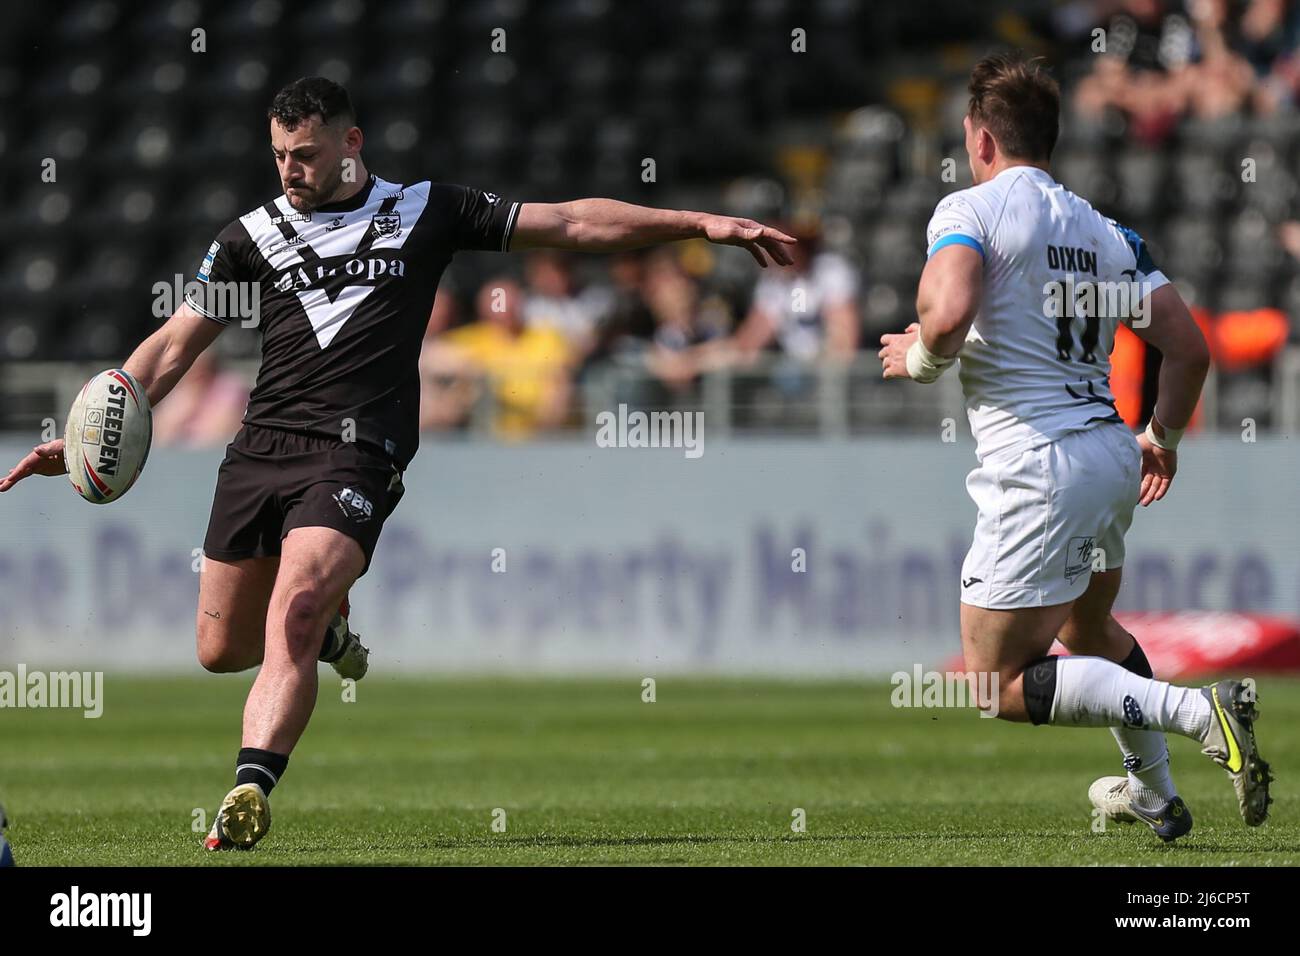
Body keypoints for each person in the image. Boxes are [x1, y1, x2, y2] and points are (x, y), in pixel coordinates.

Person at [0, 75, 795, 851]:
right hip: (259, 452)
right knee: (220, 651)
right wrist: (94, 425)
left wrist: (698, 223)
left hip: (357, 451)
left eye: (305, 154)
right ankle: (332, 631)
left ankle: (250, 784)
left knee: (298, 605)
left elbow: (573, 223)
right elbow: (174, 346)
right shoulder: (251, 237)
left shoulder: (425, 211)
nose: (289, 171)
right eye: (278, 155)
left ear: (352, 143)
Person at [877, 53, 1271, 841]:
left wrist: (918, 357)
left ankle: (1201, 711)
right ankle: (1154, 793)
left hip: (1039, 466)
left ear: (979, 139)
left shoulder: (971, 210)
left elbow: (948, 317)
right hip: (1110, 452)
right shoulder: (1106, 231)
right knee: (1088, 632)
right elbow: (1189, 349)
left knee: (992, 683)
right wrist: (1163, 437)